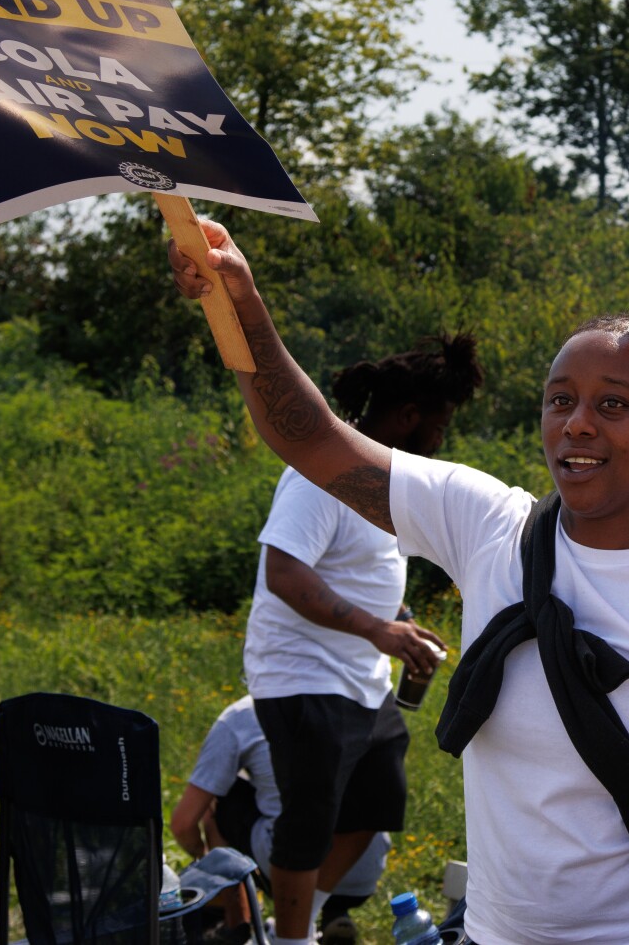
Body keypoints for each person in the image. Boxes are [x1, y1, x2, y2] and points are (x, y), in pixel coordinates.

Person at [169, 218, 629, 945]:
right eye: (560, 398)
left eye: (614, 404)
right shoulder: (488, 530)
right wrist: (242, 303)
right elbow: (308, 436)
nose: (575, 424)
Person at [244, 331, 482, 945]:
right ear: (407, 417)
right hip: (304, 678)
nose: (440, 438)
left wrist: (397, 620)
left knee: (379, 802)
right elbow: (285, 571)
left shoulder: (379, 481)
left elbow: (356, 566)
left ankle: (292, 916)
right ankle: (292, 939)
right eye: (438, 423)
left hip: (360, 679)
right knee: (310, 820)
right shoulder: (319, 475)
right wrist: (378, 628)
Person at [169, 694, 390, 944]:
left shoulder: (243, 714)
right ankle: (334, 915)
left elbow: (183, 823)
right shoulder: (362, 698)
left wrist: (204, 858)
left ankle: (238, 924)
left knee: (217, 796)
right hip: (364, 869)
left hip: (291, 870)